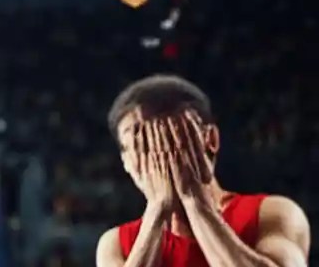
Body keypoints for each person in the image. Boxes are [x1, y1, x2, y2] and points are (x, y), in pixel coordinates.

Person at [95, 74, 310, 267]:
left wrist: (196, 203)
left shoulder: (272, 214)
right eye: (141, 144)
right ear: (126, 162)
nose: (159, 155)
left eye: (170, 138)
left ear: (210, 140)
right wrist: (157, 209)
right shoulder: (117, 243)